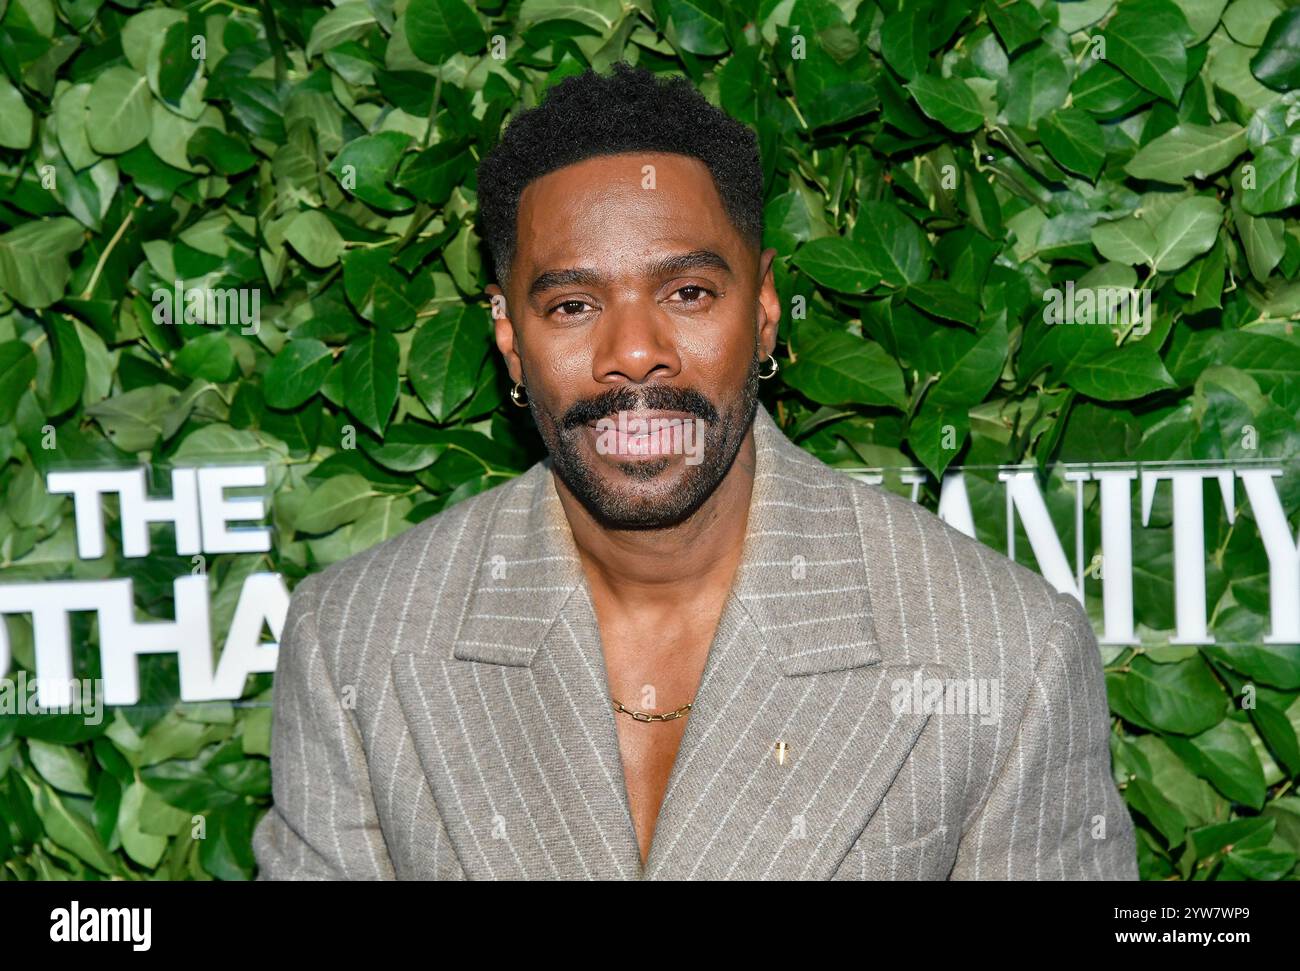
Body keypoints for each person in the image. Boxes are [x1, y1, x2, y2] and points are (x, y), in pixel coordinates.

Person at [252, 63, 1138, 880]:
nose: (634, 353)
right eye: (572, 304)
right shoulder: (356, 645)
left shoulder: (1002, 652)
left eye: (688, 294)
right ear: (509, 340)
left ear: (762, 311)